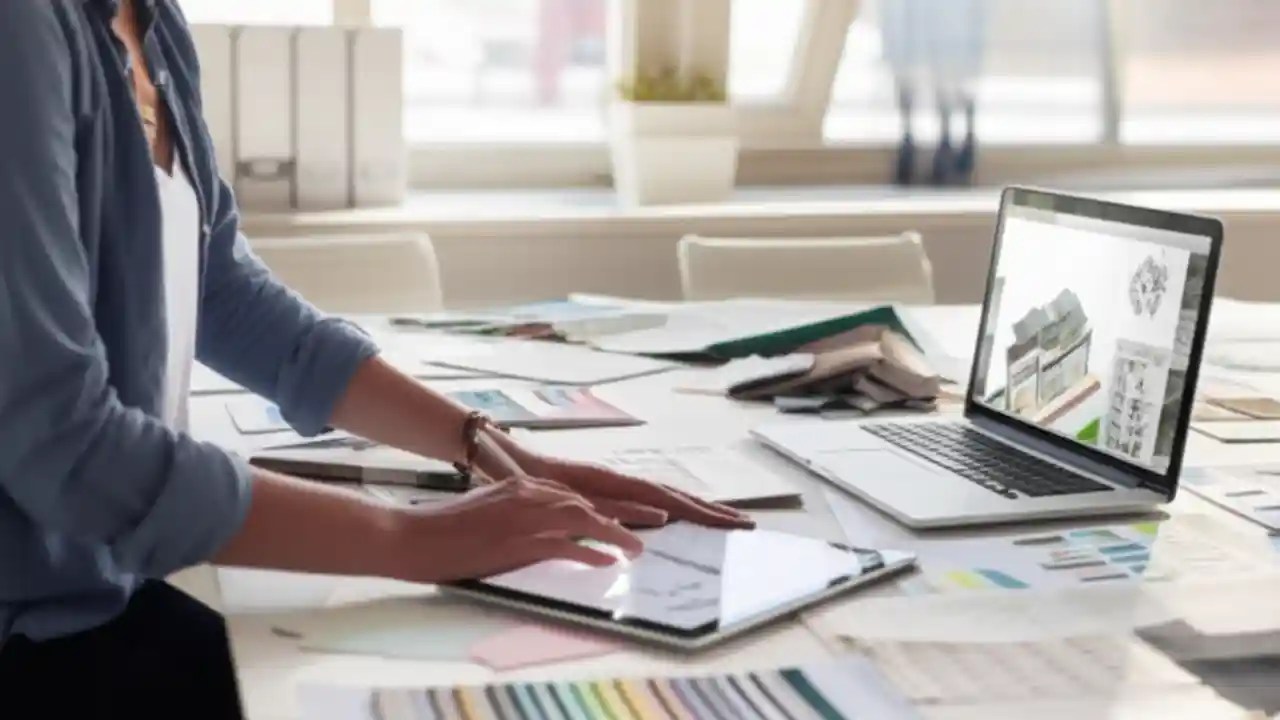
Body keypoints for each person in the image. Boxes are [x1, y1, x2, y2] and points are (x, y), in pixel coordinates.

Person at [0, 1, 752, 716]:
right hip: (36, 637)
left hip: (105, 586)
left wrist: (487, 447)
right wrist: (414, 538)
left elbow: (222, 289)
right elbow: (67, 444)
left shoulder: (152, 23)